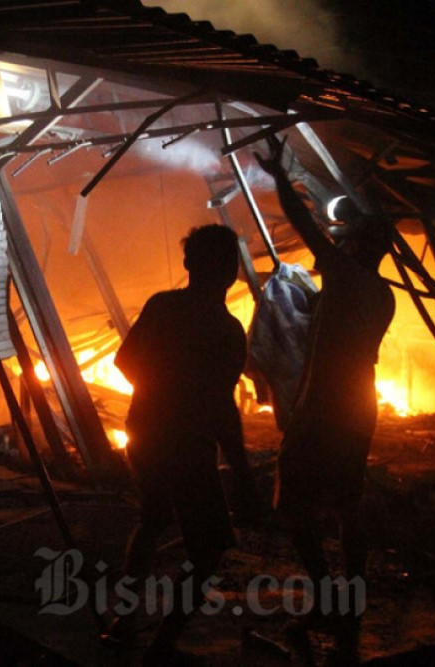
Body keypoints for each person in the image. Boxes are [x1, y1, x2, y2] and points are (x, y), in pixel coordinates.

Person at [256, 135, 396, 662]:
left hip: (324, 411)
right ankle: (350, 602)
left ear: (358, 245)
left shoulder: (344, 273)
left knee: (294, 508)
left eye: (349, 236)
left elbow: (305, 228)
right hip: (360, 409)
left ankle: (327, 597)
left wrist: (278, 179)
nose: (340, 241)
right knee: (348, 504)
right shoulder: (384, 295)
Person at [110, 224, 247, 665]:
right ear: (233, 272)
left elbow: (125, 360)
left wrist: (157, 392)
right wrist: (243, 473)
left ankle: (124, 622)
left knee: (153, 519)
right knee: (207, 548)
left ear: (188, 264)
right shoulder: (227, 331)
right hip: (188, 445)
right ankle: (162, 643)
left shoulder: (162, 306)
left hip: (145, 431)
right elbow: (224, 410)